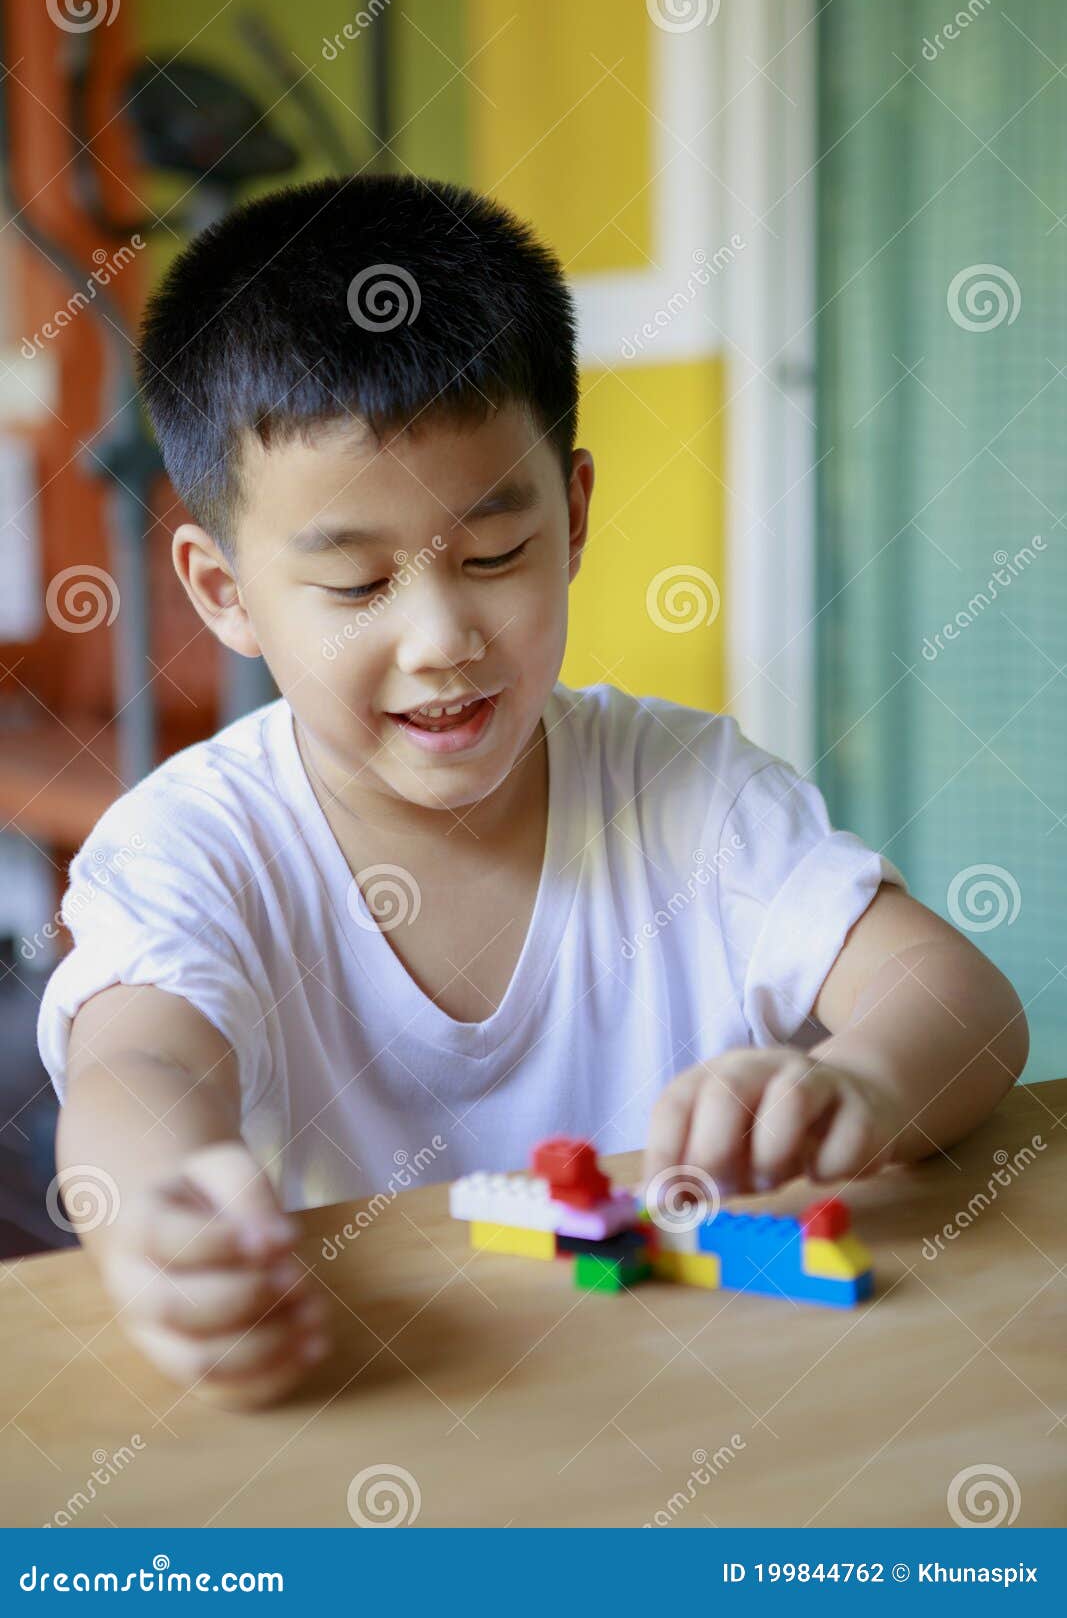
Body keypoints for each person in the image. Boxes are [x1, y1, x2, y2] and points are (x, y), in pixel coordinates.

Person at [36, 174, 1027, 1410]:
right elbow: (140, 1069)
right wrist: (158, 1216)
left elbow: (963, 1001)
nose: (443, 635)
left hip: (708, 1400)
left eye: (494, 555)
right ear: (225, 588)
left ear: (572, 514)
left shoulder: (687, 789)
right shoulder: (196, 844)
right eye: (355, 584)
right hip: (392, 1410)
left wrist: (863, 1083)